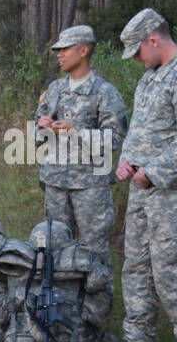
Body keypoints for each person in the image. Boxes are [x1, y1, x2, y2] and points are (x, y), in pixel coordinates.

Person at [93, 8, 177, 342]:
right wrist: (126, 161)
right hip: (142, 189)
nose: (135, 59)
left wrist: (156, 172)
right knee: (135, 265)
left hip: (175, 191)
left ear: (154, 39)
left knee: (169, 269)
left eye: (137, 51)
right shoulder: (150, 78)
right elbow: (140, 127)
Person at [32, 25, 127, 273]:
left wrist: (76, 132)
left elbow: (115, 139)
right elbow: (37, 138)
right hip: (55, 183)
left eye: (64, 49)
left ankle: (95, 308)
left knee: (93, 250)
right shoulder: (54, 90)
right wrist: (41, 129)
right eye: (57, 50)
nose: (59, 54)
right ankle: (61, 305)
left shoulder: (105, 93)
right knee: (54, 245)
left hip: (90, 187)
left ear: (83, 50)